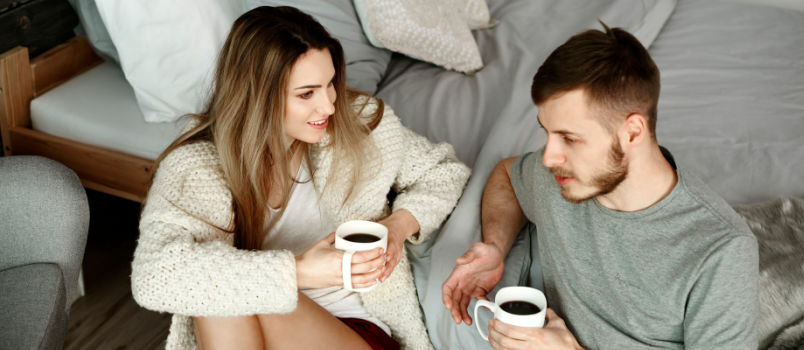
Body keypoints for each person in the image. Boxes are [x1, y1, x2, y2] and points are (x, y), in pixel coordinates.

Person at [131, 6, 470, 350]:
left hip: (353, 328)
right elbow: (153, 274)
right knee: (222, 295)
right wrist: (299, 272)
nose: (328, 107)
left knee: (229, 297)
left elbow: (444, 171)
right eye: (307, 94)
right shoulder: (198, 166)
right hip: (249, 335)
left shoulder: (358, 123)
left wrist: (396, 229)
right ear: (256, 96)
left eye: (330, 85)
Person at [442, 23, 759, 349]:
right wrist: (495, 247)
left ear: (633, 132)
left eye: (570, 138)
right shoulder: (561, 180)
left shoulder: (721, 252)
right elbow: (507, 176)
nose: (549, 157)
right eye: (547, 132)